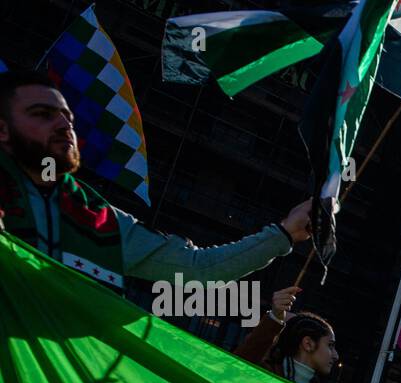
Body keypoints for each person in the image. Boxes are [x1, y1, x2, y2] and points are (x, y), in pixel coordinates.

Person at [0, 70, 309, 288]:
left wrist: (284, 233)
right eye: (41, 114)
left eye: (67, 117)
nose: (63, 125)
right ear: (3, 130)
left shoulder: (101, 220)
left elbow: (197, 270)